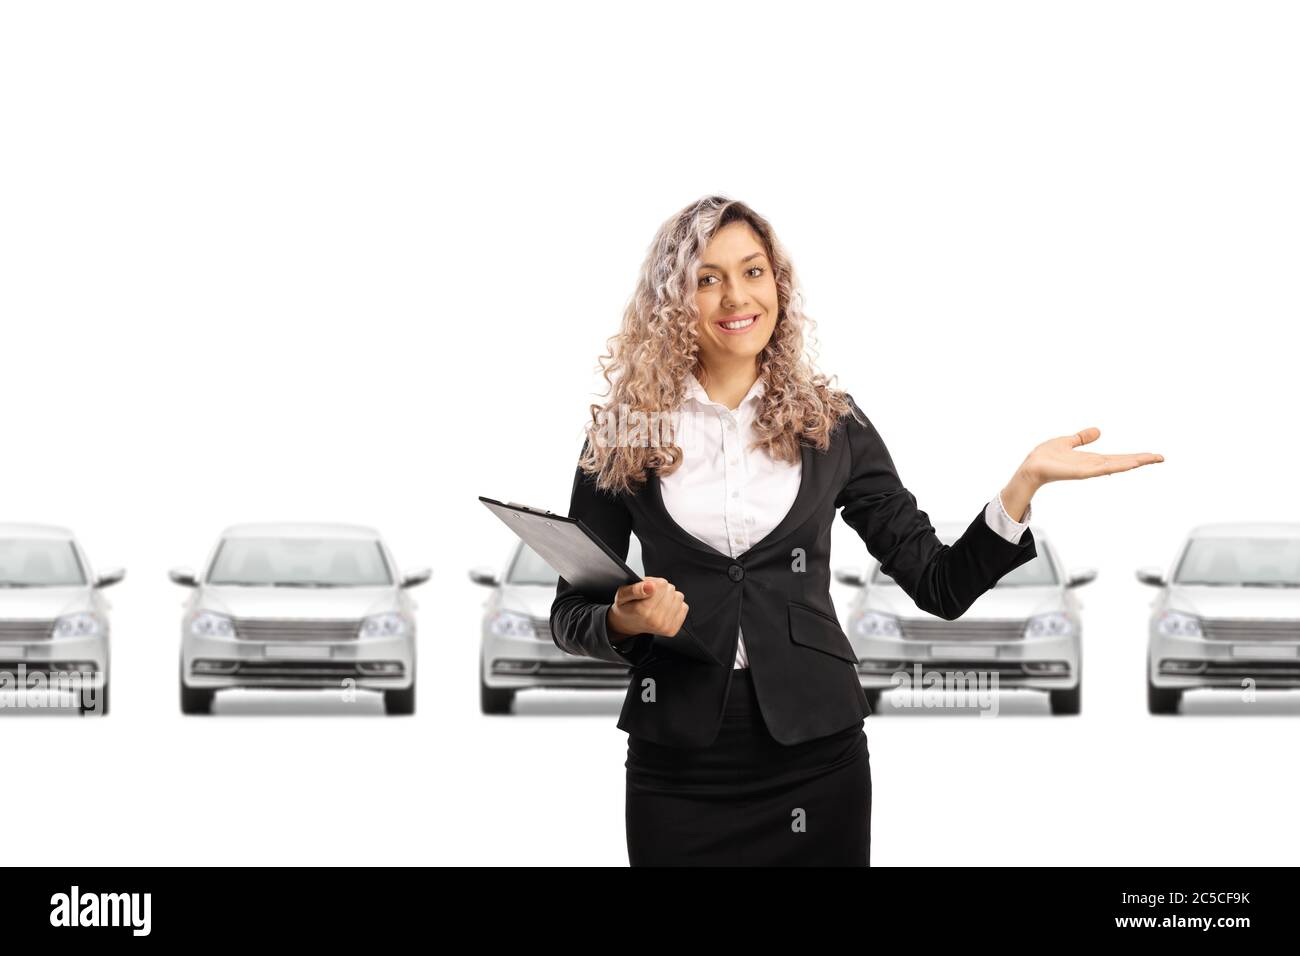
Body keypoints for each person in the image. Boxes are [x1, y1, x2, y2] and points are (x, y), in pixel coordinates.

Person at [549, 195, 1163, 866]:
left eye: (753, 272)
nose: (736, 297)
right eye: (707, 278)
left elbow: (939, 584)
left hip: (816, 756)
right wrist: (624, 618)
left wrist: (1023, 486)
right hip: (678, 766)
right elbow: (570, 615)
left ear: (778, 284)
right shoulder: (624, 433)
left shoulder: (830, 422)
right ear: (673, 298)